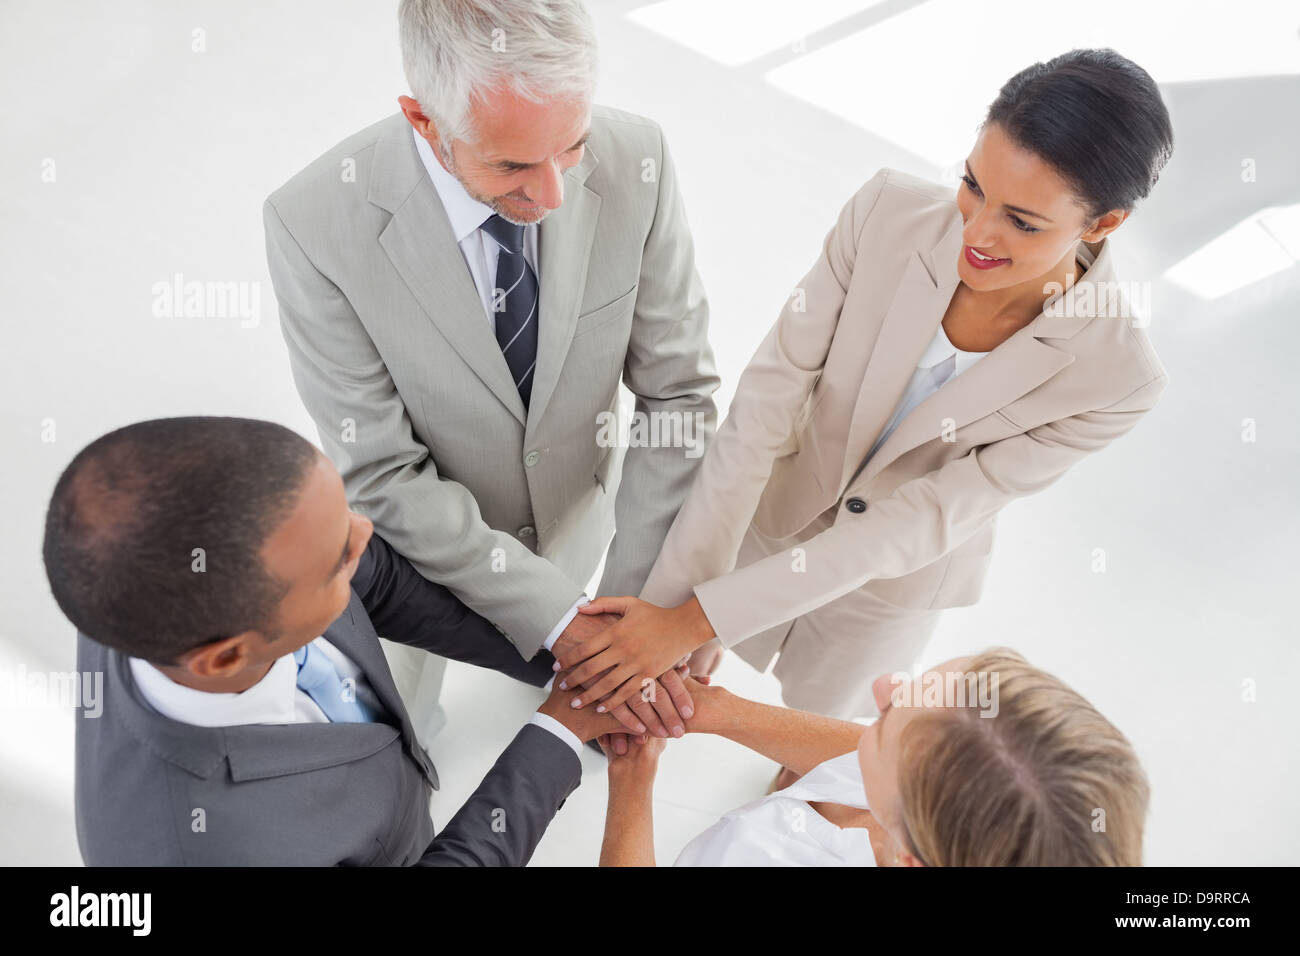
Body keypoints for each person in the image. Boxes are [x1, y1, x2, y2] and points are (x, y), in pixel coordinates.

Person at [553, 49, 1174, 785]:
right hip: (771, 507)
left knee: (823, 768)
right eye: (972, 185)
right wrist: (675, 603)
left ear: (1103, 223)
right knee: (646, 693)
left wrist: (698, 619)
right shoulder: (885, 212)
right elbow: (766, 405)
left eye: (1023, 222)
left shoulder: (1116, 379)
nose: (976, 232)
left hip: (887, 585)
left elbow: (921, 517)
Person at [263, 0, 717, 751]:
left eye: (571, 146)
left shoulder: (641, 157)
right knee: (401, 744)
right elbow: (379, 469)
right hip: (417, 570)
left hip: (581, 531)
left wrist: (628, 621)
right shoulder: (313, 224)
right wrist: (559, 620)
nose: (553, 196)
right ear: (423, 119)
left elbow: (678, 397)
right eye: (511, 165)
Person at [42, 417, 649, 866]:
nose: (366, 533)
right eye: (337, 558)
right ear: (227, 656)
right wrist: (560, 731)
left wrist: (576, 661)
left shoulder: (166, 566)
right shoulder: (208, 845)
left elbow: (380, 582)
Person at [598, 649, 1149, 867]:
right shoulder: (962, 809)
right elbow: (855, 755)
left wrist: (632, 775)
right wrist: (714, 709)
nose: (885, 683)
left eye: (885, 720)